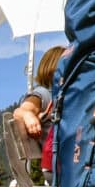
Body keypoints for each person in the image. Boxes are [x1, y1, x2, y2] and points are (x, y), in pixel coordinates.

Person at [12, 45, 67, 179]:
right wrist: (28, 115)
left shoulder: (65, 95)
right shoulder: (45, 93)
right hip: (57, 167)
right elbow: (20, 111)